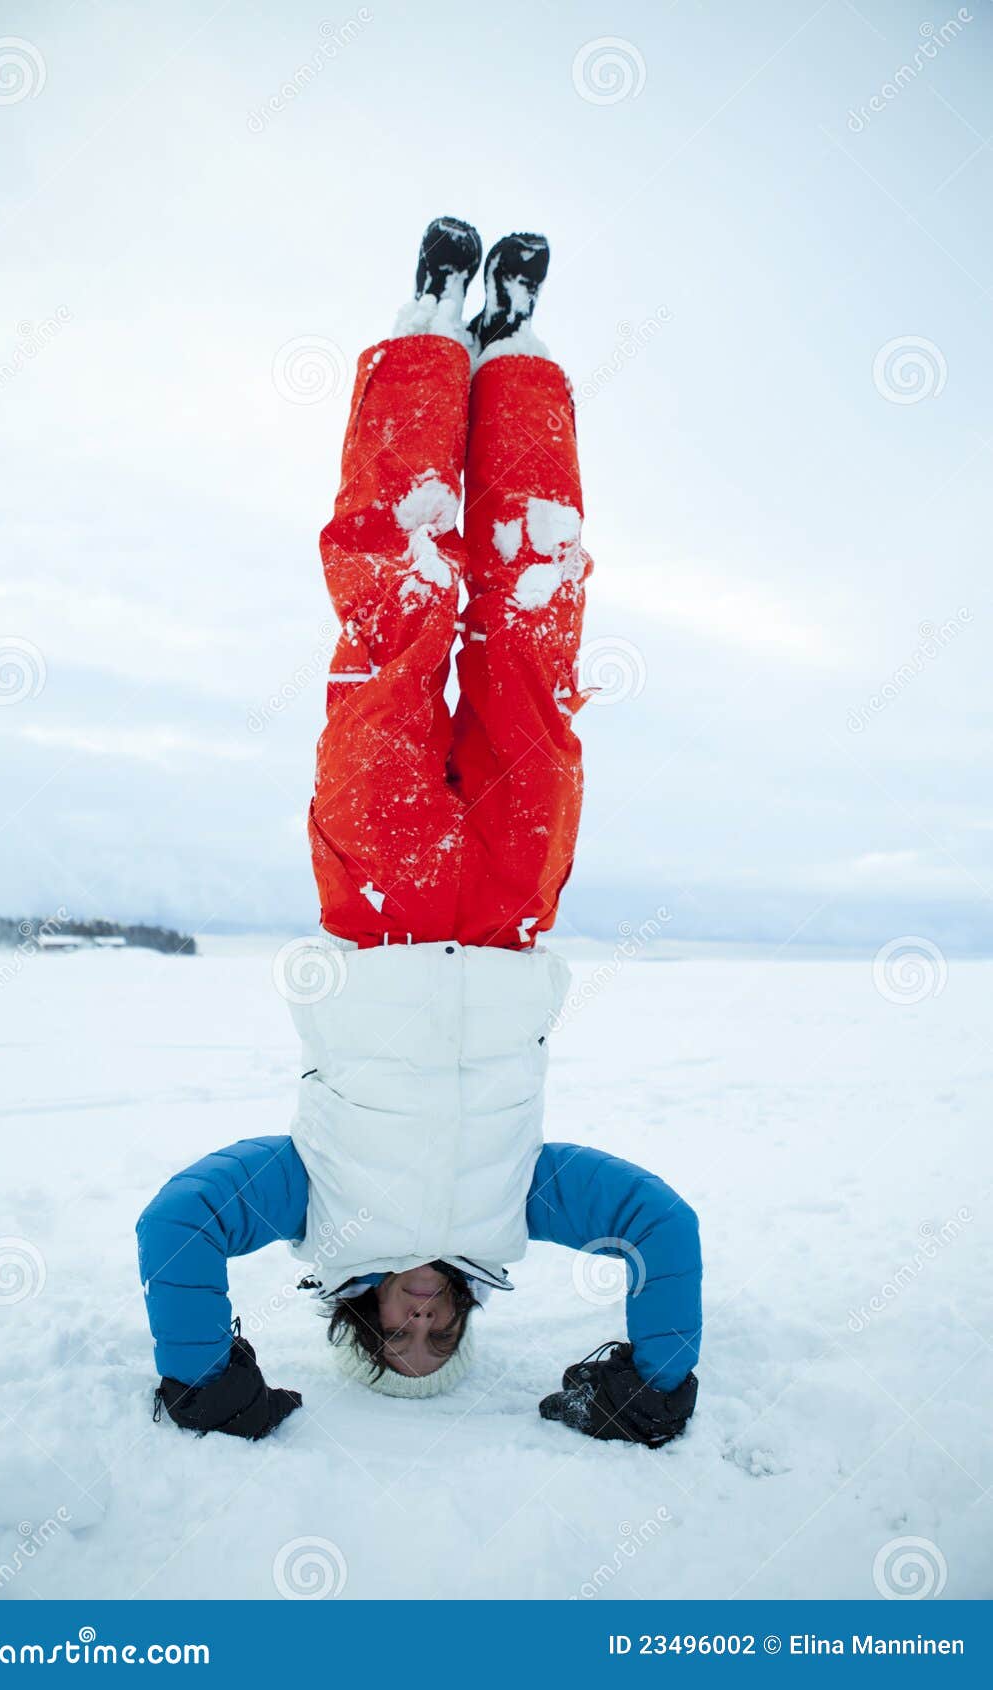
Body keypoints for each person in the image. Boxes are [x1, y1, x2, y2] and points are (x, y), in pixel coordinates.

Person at [137, 218, 702, 1448]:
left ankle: (428, 334)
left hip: (379, 900)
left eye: (397, 1338)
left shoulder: (313, 1213)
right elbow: (662, 1225)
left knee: (396, 625)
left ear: (358, 1318)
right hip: (504, 914)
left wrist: (199, 1375)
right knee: (533, 641)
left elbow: (174, 1225)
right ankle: (516, 356)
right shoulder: (511, 1221)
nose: (423, 1320)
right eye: (440, 1339)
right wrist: (656, 1380)